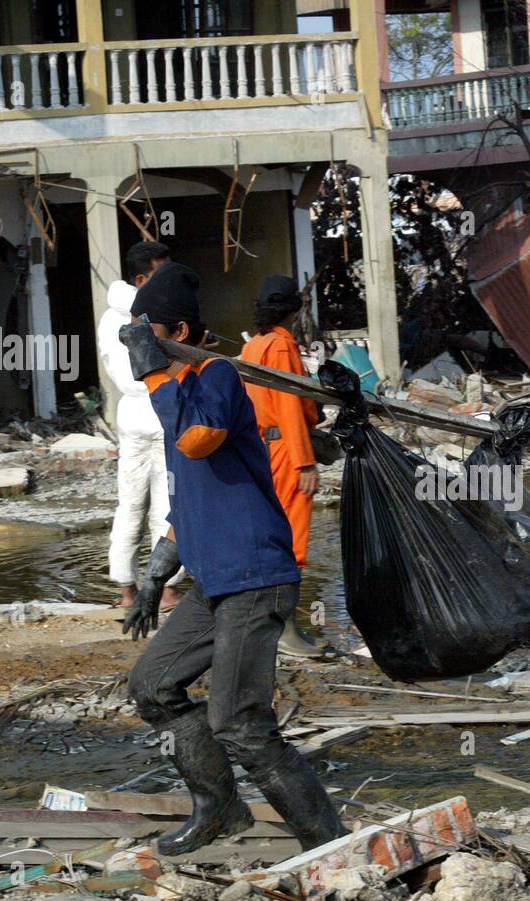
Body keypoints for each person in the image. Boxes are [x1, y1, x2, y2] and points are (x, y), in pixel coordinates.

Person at [118, 260, 345, 856]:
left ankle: (329, 844)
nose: (139, 344)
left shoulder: (216, 376)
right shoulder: (180, 392)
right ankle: (218, 807)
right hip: (215, 580)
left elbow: (199, 440)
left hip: (255, 577)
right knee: (152, 685)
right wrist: (154, 575)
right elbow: (187, 498)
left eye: (150, 331)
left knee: (241, 723)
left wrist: (154, 377)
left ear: (181, 335)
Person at [238, 275, 323, 657]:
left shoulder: (254, 345)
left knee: (270, 537)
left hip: (263, 448)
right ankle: (286, 632)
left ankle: (267, 626)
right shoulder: (283, 345)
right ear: (295, 309)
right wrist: (306, 461)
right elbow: (290, 405)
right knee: (294, 541)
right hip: (287, 450)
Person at [99, 242, 183, 610]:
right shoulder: (153, 313)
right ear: (140, 278)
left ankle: (127, 590)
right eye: (159, 274)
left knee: (129, 504)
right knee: (167, 504)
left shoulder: (107, 318)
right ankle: (165, 588)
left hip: (129, 414)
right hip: (159, 407)